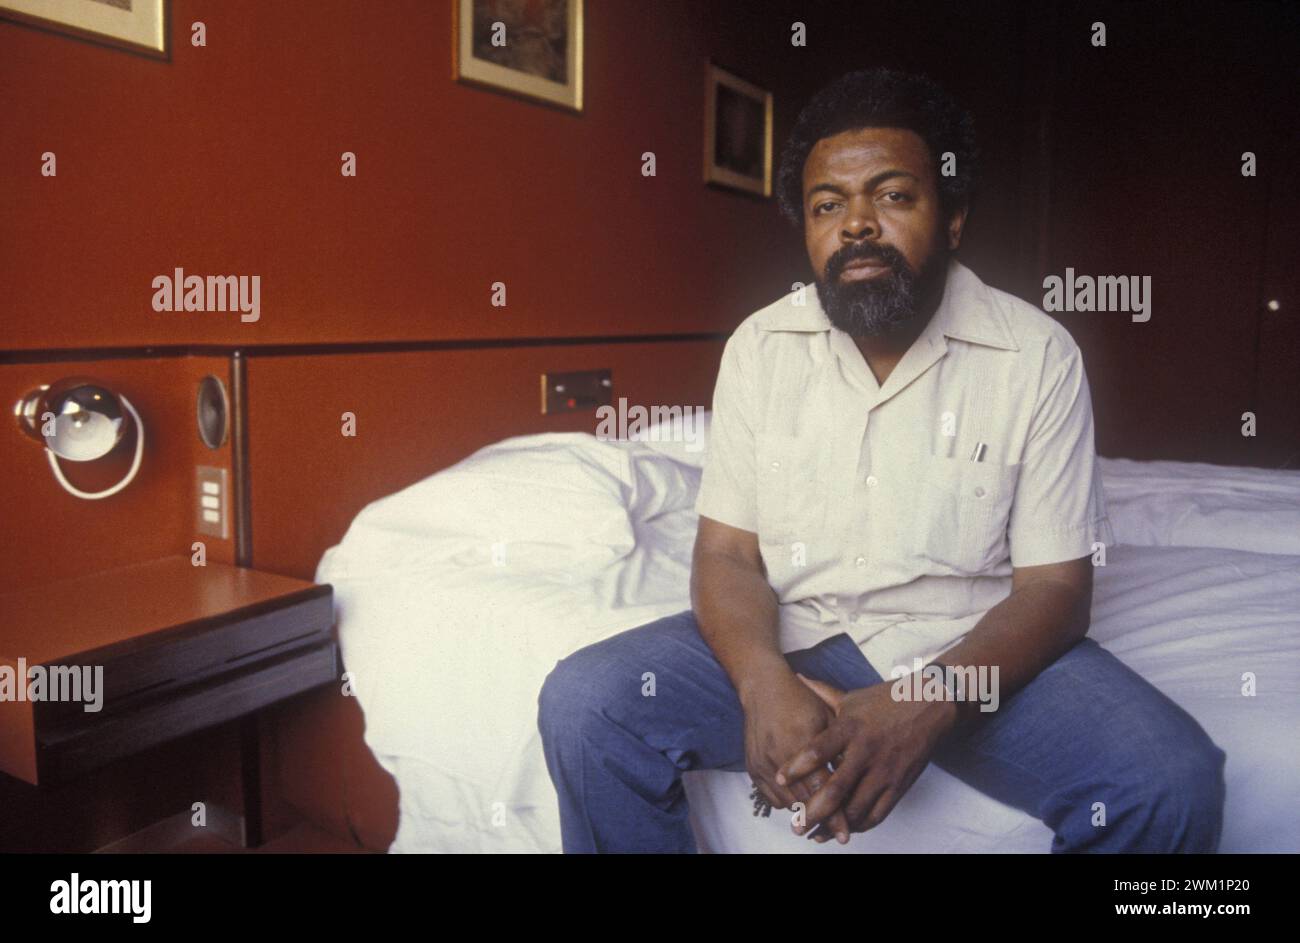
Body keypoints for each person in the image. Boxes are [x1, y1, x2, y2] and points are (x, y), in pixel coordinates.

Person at [538, 67, 1227, 854]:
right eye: (829, 205)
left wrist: (922, 704)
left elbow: (1057, 589)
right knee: (586, 702)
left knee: (1170, 780)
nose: (856, 224)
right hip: (799, 636)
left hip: (972, 655)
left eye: (893, 196)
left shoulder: (1037, 355)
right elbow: (727, 552)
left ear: (954, 216)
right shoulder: (761, 348)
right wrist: (763, 683)